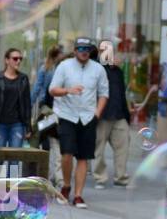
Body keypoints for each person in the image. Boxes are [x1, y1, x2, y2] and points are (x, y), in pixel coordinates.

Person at [49, 37, 108, 208]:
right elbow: (52, 90)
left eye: (87, 49)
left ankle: (78, 195)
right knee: (67, 154)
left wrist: (97, 113)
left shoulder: (98, 69)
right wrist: (68, 90)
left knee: (84, 157)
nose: (84, 51)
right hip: (67, 115)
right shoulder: (64, 66)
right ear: (75, 50)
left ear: (91, 51)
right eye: (80, 48)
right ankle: (66, 185)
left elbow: (104, 93)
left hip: (88, 117)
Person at [93, 41, 131, 187]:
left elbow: (122, 94)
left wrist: (127, 115)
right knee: (99, 148)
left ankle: (121, 176)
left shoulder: (118, 71)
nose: (106, 54)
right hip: (102, 114)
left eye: (108, 51)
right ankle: (100, 177)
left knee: (123, 146)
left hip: (119, 114)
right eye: (103, 51)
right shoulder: (96, 69)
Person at [32, 45, 64, 188]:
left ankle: (46, 173)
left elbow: (37, 88)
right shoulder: (58, 70)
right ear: (58, 55)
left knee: (45, 141)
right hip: (54, 110)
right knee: (54, 141)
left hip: (45, 109)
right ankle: (52, 175)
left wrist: (30, 106)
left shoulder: (44, 68)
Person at [0, 47, 31, 148]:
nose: (18, 61)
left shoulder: (23, 79)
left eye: (20, 59)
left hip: (17, 124)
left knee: (15, 159)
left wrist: (28, 127)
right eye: (15, 58)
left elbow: (27, 104)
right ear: (7, 60)